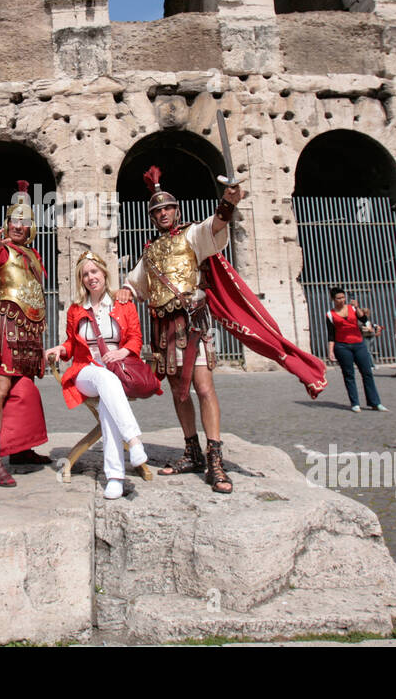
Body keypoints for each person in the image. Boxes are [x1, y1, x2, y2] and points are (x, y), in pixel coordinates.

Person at [116, 167, 326, 495]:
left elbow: (215, 226)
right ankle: (191, 451)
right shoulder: (150, 250)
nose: (163, 214)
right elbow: (135, 281)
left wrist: (228, 203)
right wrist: (126, 290)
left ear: (177, 210)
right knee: (178, 391)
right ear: (151, 217)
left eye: (167, 208)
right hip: (163, 327)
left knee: (203, 387)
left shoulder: (191, 236)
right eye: (157, 211)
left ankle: (215, 458)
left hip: (192, 323)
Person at [46, 253, 153, 499]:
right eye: (85, 274)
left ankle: (115, 477)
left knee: (108, 399)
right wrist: (60, 349)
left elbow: (136, 338)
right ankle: (134, 441)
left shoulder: (123, 305)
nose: (91, 277)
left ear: (104, 273)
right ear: (81, 280)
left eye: (94, 272)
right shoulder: (75, 309)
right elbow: (72, 344)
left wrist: (122, 352)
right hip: (86, 372)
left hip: (117, 370)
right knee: (104, 380)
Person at [0, 180, 51, 487]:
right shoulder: (1, 251)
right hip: (5, 328)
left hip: (29, 332)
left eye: (24, 221)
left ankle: (19, 448)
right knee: (1, 387)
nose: (19, 225)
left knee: (25, 390)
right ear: (7, 224)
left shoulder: (34, 257)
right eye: (14, 220)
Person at [326, 287, 387, 412]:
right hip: (342, 346)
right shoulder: (330, 314)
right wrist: (330, 351)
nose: (342, 300)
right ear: (333, 299)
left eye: (343, 297)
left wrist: (357, 307)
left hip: (358, 344)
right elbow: (331, 334)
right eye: (338, 298)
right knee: (349, 375)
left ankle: (375, 402)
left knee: (367, 373)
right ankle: (355, 403)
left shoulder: (352, 308)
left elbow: (364, 320)